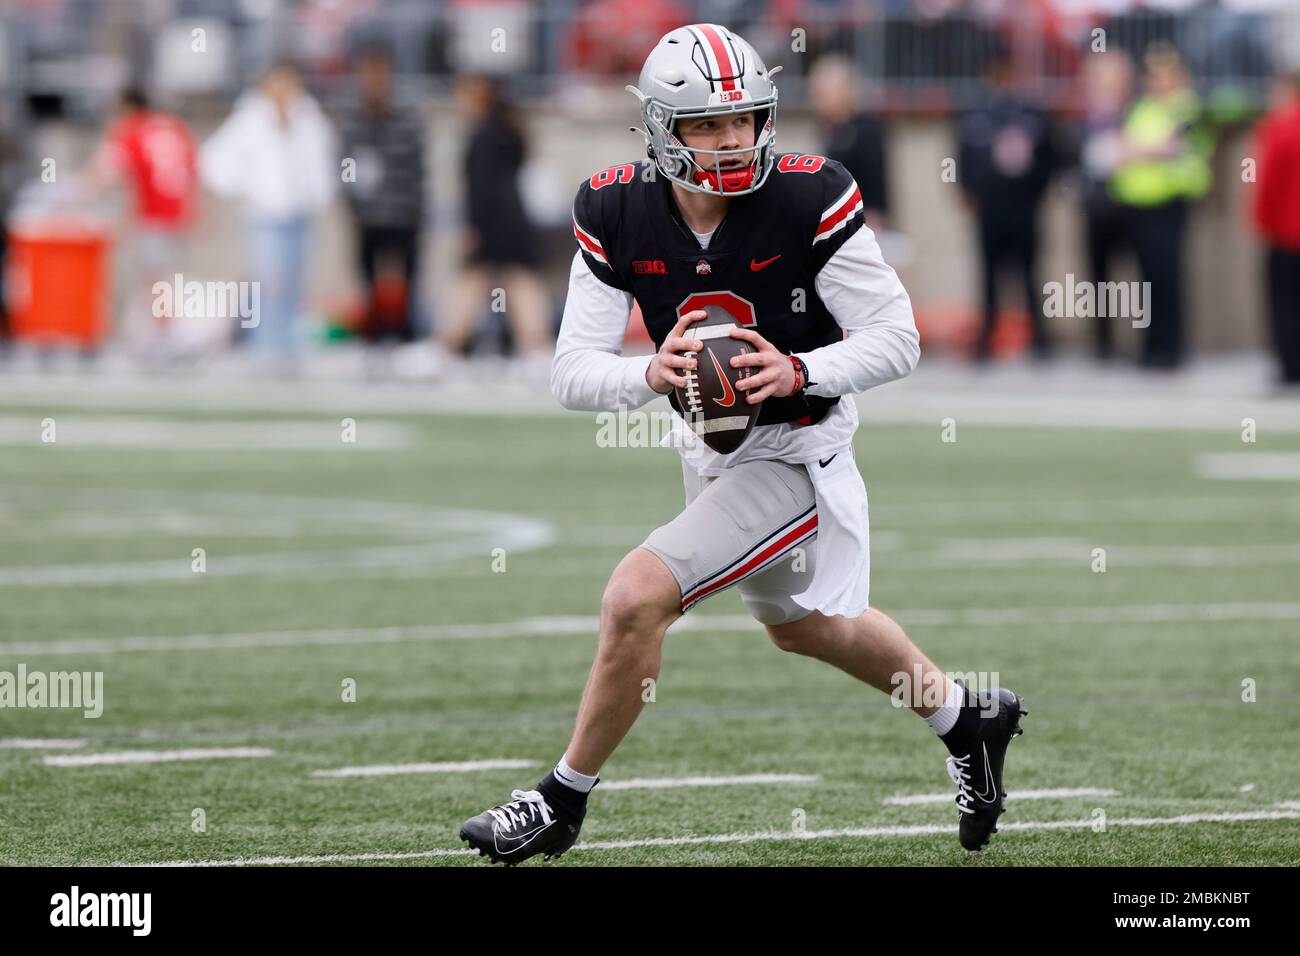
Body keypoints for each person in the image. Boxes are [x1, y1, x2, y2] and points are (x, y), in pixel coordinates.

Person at [459, 23, 1027, 865]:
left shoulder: (808, 195)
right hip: (713, 453)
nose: (733, 141)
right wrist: (648, 373)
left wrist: (797, 370)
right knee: (801, 625)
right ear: (661, 129)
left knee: (633, 598)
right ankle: (966, 718)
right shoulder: (614, 208)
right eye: (708, 126)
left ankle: (560, 800)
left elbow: (898, 337)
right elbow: (571, 371)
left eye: (746, 120)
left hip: (800, 456)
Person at [200, 60, 337, 373]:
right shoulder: (249, 119)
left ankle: (288, 346)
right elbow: (214, 160)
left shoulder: (308, 117)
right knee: (269, 281)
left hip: (299, 213)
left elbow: (321, 161)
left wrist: (317, 197)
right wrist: (247, 190)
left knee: (294, 282)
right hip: (265, 215)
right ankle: (265, 346)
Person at [438, 75, 552, 376]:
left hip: (496, 223)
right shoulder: (506, 130)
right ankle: (534, 346)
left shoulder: (485, 134)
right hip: (512, 219)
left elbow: (481, 188)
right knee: (512, 281)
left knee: (491, 280)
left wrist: (474, 227)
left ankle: (449, 345)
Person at [1110, 43, 1213, 370]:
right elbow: (1124, 148)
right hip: (1139, 206)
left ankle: (1172, 349)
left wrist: (1142, 151)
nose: (1160, 82)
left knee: (1168, 278)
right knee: (1147, 280)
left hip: (1170, 203)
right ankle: (1152, 348)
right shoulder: (1143, 108)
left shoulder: (1186, 108)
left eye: (1166, 74)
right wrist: (1146, 150)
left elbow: (1171, 148)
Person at [82, 88, 198, 365]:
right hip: (179, 212)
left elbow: (105, 172)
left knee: (156, 279)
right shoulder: (173, 127)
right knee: (163, 277)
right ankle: (163, 335)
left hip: (154, 214)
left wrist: (70, 194)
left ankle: (167, 338)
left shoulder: (132, 131)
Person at [958, 48, 1056, 363]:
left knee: (1028, 276)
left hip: (1022, 210)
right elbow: (964, 161)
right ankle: (987, 340)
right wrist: (970, 195)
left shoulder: (1031, 115)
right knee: (988, 278)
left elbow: (1047, 160)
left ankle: (1039, 340)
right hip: (990, 211)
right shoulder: (977, 117)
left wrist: (1034, 196)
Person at [337, 45, 426, 373]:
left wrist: (413, 205)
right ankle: (372, 339)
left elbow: (417, 167)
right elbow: (345, 166)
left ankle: (404, 339)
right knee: (368, 279)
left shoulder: (406, 117)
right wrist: (356, 204)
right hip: (368, 215)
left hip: (402, 213)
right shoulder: (354, 120)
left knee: (407, 278)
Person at [1250, 72, 1300, 387]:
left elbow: (1268, 182)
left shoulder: (1280, 127)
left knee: (1285, 303)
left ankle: (1291, 365)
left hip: (1286, 233)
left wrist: (1263, 222)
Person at [809, 54, 890, 232]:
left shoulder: (866, 128)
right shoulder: (828, 128)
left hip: (864, 218)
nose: (818, 101)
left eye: (823, 94)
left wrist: (876, 215)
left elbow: (876, 177)